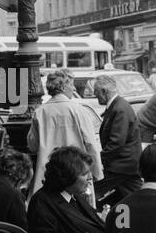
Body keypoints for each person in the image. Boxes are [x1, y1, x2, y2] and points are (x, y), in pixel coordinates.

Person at [28, 69, 104, 197]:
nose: (74, 88)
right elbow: (91, 144)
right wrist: (97, 173)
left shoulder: (40, 112)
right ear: (63, 87)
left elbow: (33, 146)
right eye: (71, 84)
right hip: (77, 174)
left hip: (47, 174)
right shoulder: (79, 111)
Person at [94, 73, 142, 207]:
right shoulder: (118, 106)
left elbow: (116, 143)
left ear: (104, 91)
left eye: (96, 92)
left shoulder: (119, 108)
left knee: (91, 189)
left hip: (121, 165)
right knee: (137, 198)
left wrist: (98, 161)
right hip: (127, 164)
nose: (95, 95)